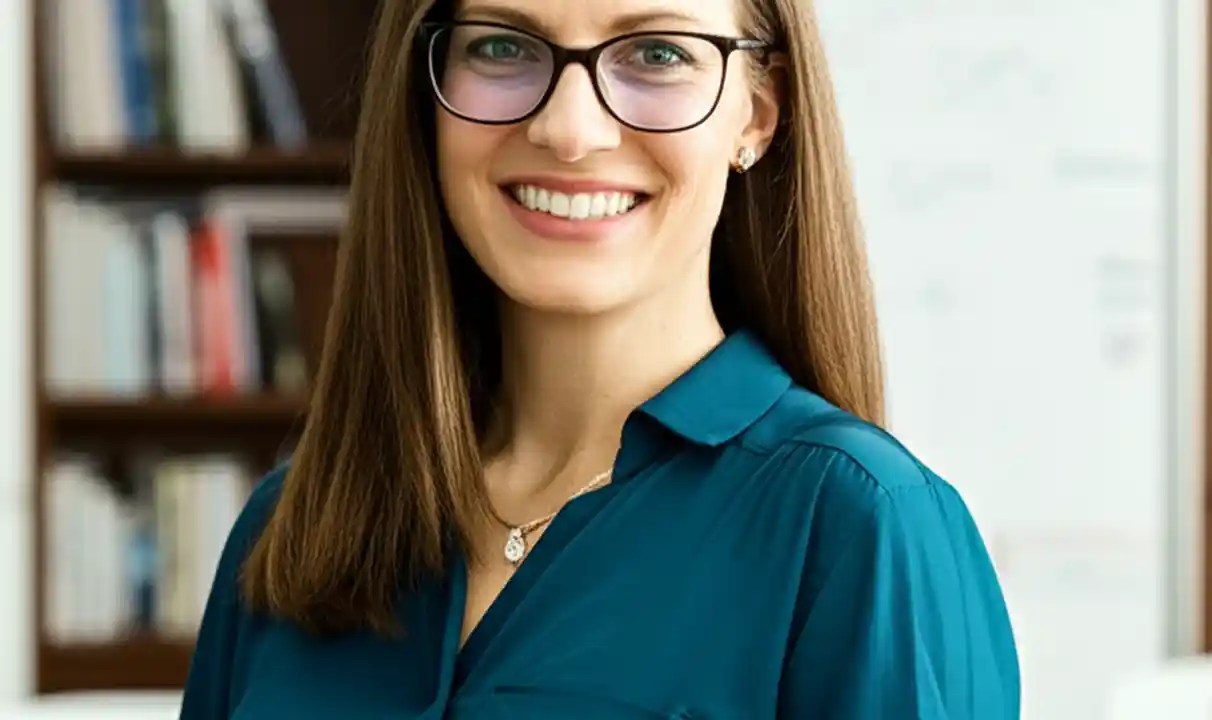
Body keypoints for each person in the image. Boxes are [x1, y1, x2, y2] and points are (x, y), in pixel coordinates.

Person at [181, 0, 1020, 717]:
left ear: (759, 112)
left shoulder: (860, 523)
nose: (569, 130)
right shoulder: (292, 524)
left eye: (657, 54)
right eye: (503, 46)